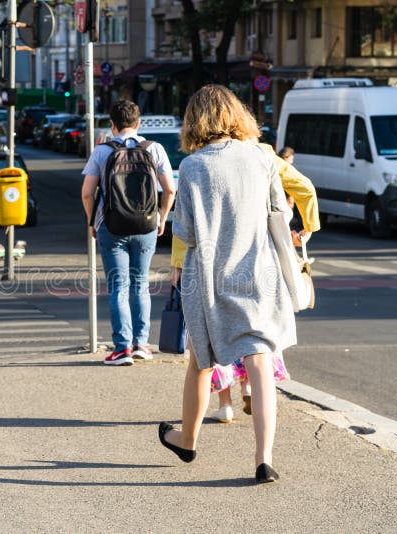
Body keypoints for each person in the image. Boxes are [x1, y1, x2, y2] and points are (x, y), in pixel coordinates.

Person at [158, 85, 297, 483]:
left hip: (211, 277)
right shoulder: (261, 158)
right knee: (259, 361)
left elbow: (185, 231)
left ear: (196, 120)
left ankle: (187, 439)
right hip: (260, 272)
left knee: (202, 360)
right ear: (237, 114)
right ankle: (263, 459)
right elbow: (278, 212)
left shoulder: (193, 166)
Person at [173, 142, 320, 423]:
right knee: (257, 343)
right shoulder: (262, 154)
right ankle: (251, 390)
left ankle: (224, 403)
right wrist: (308, 228)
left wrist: (177, 264)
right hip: (257, 264)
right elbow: (305, 188)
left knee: (212, 339)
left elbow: (187, 228)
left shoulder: (199, 161)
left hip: (212, 266)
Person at [81, 100, 176, 366]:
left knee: (118, 287)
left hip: (112, 226)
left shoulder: (102, 151)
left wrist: (92, 220)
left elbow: (87, 192)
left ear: (112, 125)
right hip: (147, 225)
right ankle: (141, 345)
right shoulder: (154, 149)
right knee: (140, 284)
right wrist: (162, 218)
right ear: (138, 123)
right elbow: (169, 189)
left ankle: (121, 349)